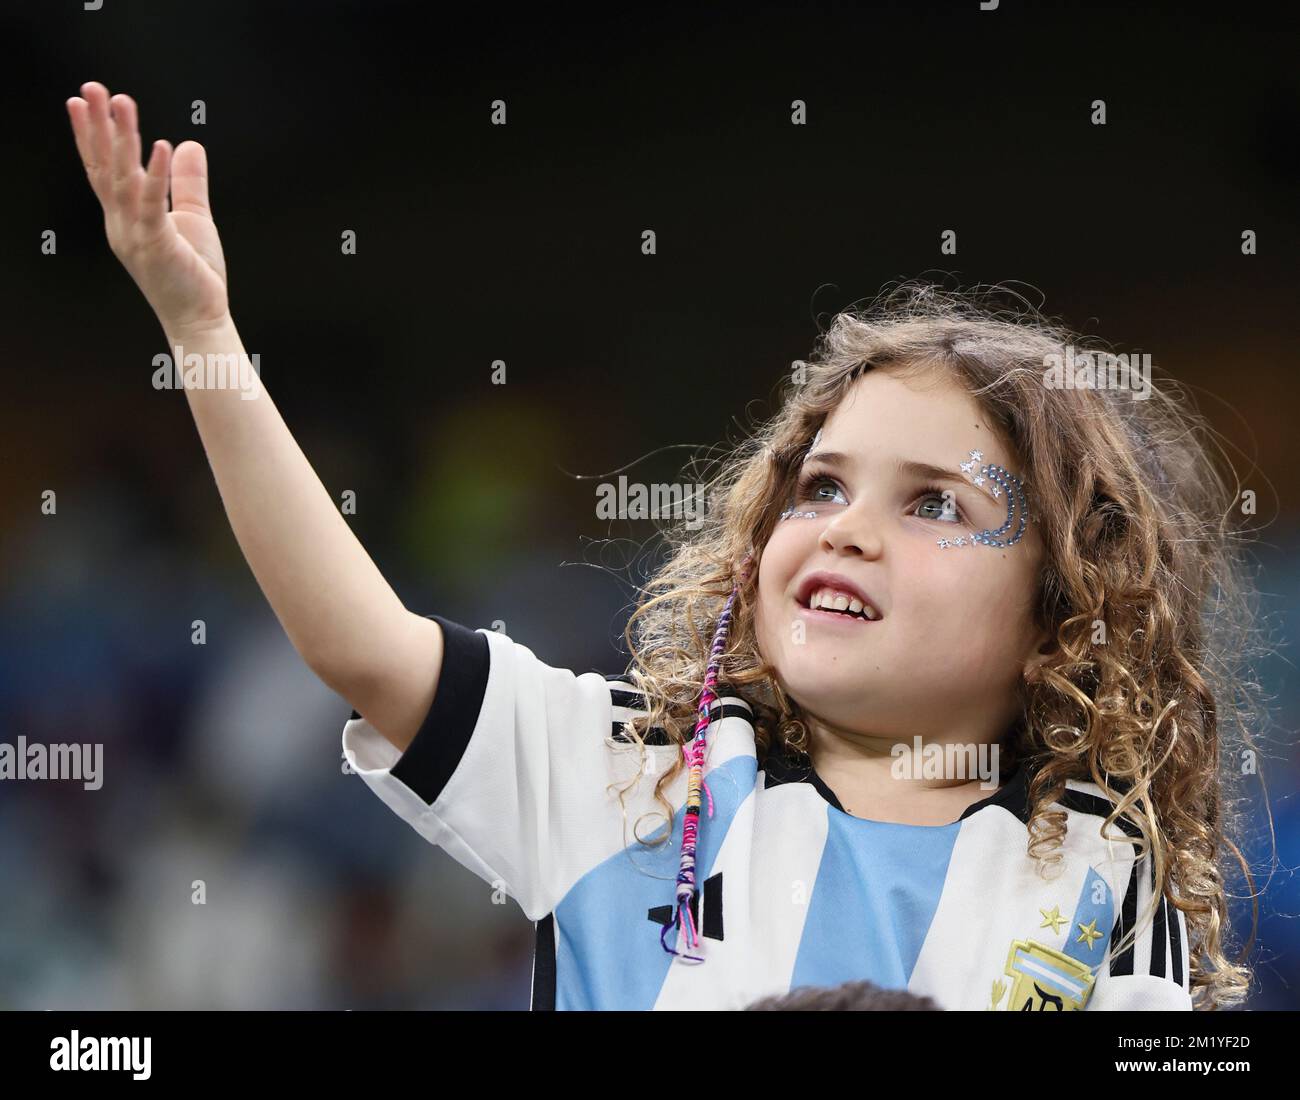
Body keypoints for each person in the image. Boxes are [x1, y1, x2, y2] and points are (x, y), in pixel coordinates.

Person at [67, 81, 1265, 1011]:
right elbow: (359, 641)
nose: (846, 526)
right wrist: (203, 328)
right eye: (822, 484)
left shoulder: (1102, 880)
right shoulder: (631, 779)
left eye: (933, 503)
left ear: (1060, 610)